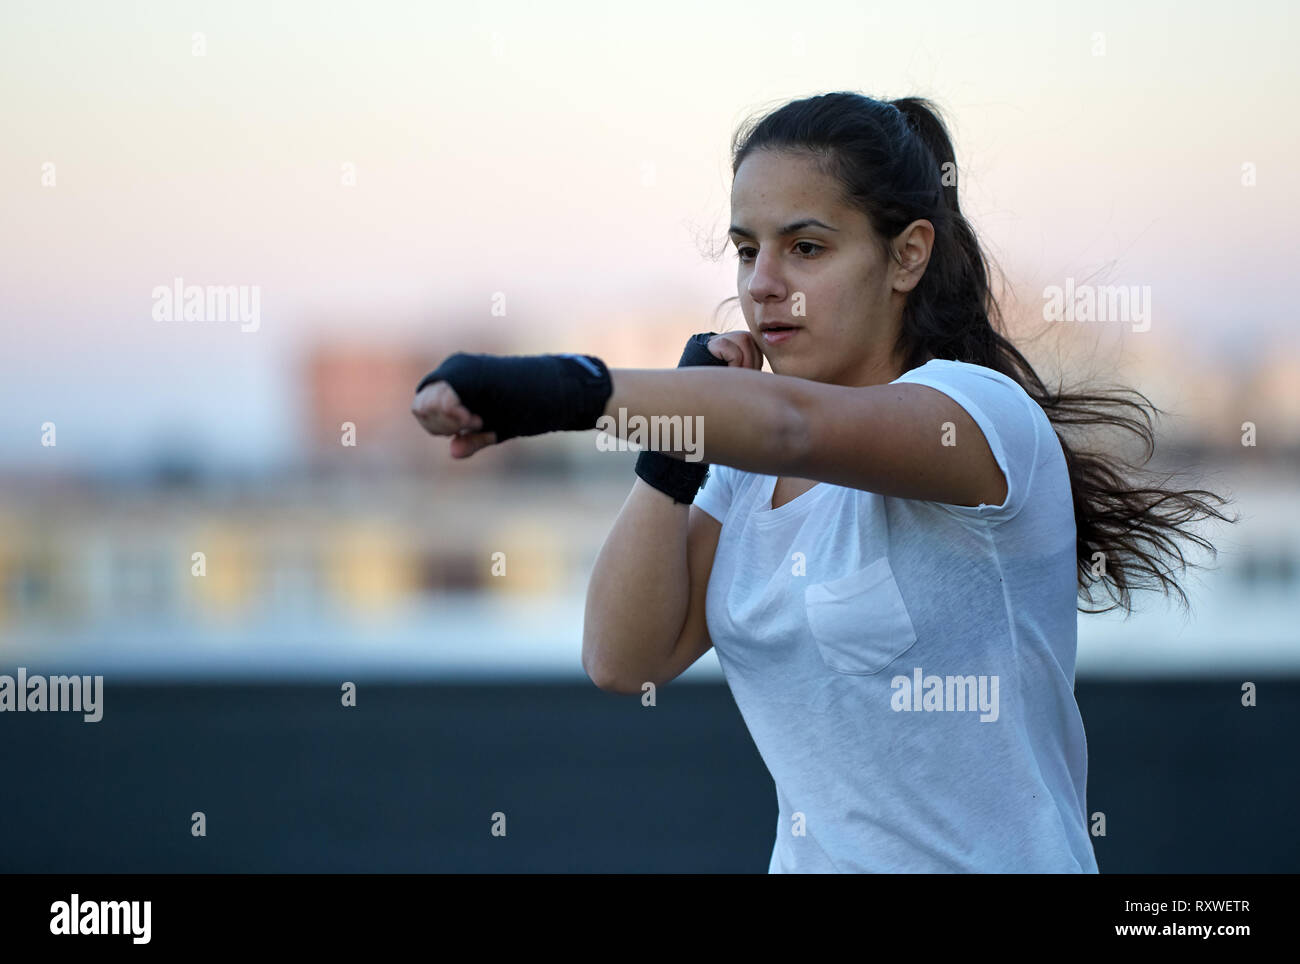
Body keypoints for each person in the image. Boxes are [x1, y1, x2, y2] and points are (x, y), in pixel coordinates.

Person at [411, 92, 1235, 873]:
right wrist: (674, 450)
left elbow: (792, 423)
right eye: (746, 250)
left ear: (907, 255)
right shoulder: (743, 464)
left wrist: (551, 391)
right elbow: (624, 659)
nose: (762, 282)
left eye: (805, 248)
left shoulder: (978, 417)